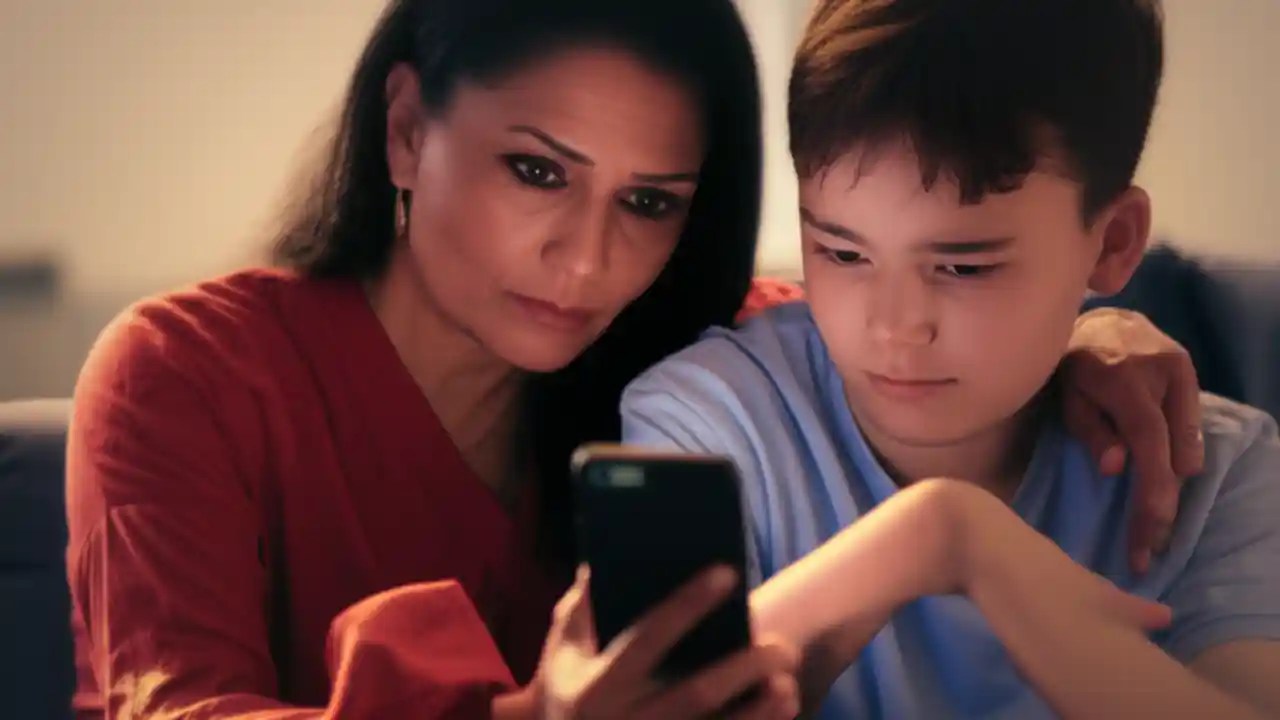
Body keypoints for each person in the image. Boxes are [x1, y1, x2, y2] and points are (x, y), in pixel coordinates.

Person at [66, 0, 1203, 718]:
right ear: (406, 130)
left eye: (650, 201)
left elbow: (900, 325)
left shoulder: (702, 353)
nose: (587, 257)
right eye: (537, 171)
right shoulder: (187, 373)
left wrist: (1083, 337)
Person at [621, 0, 1280, 717]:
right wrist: (936, 537)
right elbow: (653, 705)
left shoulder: (1215, 472)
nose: (895, 328)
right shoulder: (712, 421)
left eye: (964, 267)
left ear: (1114, 241)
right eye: (842, 253)